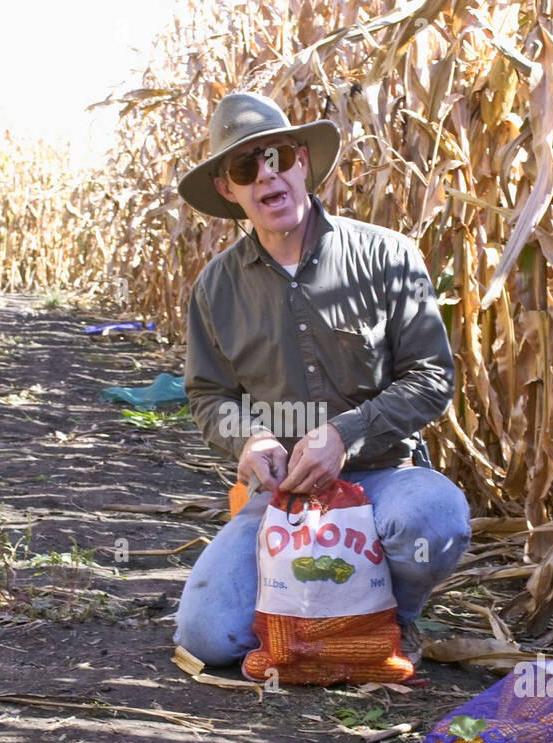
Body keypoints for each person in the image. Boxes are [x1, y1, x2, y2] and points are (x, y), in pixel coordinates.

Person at [172, 91, 470, 668]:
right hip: (283, 497)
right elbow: (210, 396)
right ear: (227, 190)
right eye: (244, 169)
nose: (266, 177)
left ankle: (391, 619)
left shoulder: (387, 256)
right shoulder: (217, 288)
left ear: (302, 159)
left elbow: (432, 377)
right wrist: (251, 440)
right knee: (206, 639)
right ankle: (311, 612)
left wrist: (345, 434)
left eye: (277, 157)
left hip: (385, 478)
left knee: (433, 520)